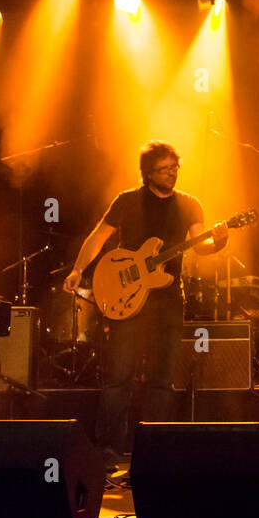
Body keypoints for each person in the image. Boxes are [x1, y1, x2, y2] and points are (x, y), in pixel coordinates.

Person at [64, 142, 227, 467]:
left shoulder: (189, 205)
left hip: (167, 301)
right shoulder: (127, 201)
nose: (172, 173)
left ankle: (155, 450)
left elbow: (201, 246)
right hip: (127, 298)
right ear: (148, 172)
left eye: (175, 167)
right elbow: (97, 237)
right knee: (118, 376)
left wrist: (219, 240)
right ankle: (108, 450)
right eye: (165, 169)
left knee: (161, 379)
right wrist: (78, 269)